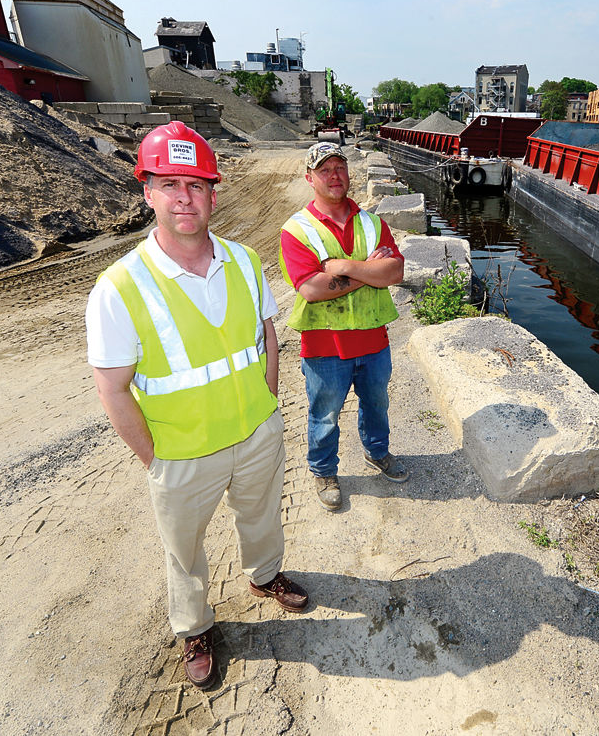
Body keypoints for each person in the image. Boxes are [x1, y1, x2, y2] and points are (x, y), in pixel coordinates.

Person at [86, 121, 307, 689]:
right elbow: (112, 388)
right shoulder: (119, 286)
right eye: (168, 184)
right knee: (183, 550)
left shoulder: (244, 261)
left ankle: (264, 576)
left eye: (195, 184)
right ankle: (194, 626)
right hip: (181, 455)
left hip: (256, 433)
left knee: (261, 517)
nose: (183, 197)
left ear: (214, 191)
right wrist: (155, 460)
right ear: (147, 193)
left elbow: (268, 338)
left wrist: (268, 404)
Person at [279, 142, 406, 512]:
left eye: (340, 167)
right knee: (325, 413)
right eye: (324, 169)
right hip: (324, 346)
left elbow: (395, 272)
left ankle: (377, 453)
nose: (335, 175)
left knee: (377, 404)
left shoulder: (372, 222)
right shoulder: (296, 230)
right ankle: (323, 470)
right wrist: (370, 270)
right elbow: (312, 288)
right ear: (309, 178)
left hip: (373, 338)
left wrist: (345, 267)